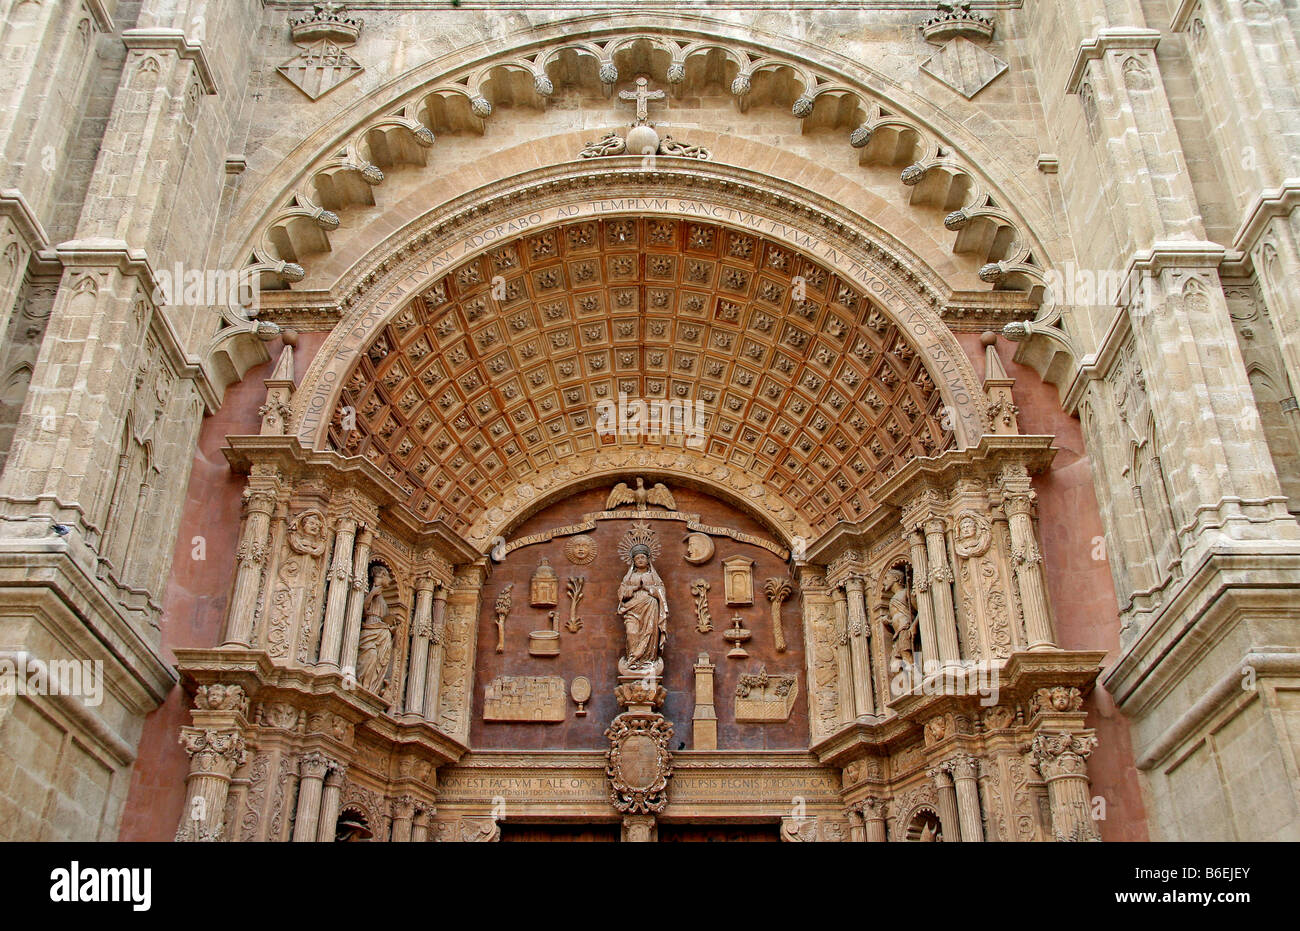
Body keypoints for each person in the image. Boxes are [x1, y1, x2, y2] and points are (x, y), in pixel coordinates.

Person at [617, 545, 668, 670]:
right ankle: (633, 659)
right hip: (632, 609)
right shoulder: (629, 577)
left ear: (648, 560)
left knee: (649, 632)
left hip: (650, 608)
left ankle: (647, 660)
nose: (640, 560)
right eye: (637, 558)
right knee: (631, 632)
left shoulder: (652, 576)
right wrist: (633, 589)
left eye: (643, 557)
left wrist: (649, 588)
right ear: (633, 561)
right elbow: (621, 593)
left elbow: (661, 592)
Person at [357, 565, 395, 694]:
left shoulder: (381, 598)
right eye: (388, 576)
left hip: (381, 634)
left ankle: (370, 687)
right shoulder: (374, 592)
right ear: (382, 576)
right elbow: (364, 608)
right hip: (370, 630)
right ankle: (363, 684)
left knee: (376, 659)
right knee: (370, 655)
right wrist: (372, 593)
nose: (389, 580)